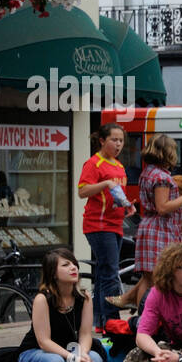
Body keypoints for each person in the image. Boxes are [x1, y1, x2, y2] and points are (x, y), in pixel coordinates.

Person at [109, 134, 182, 311]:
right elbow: (162, 207)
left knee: (148, 278)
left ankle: (139, 312)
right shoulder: (161, 177)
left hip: (149, 227)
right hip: (159, 230)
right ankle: (146, 316)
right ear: (167, 153)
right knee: (156, 279)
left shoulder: (148, 172)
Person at [78, 123, 135, 329]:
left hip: (116, 224)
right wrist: (105, 184)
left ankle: (100, 322)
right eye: (114, 140)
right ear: (102, 141)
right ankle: (113, 321)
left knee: (104, 273)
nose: (118, 144)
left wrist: (128, 207)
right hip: (99, 225)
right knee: (111, 272)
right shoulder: (94, 163)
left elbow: (117, 196)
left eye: (121, 140)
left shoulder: (119, 166)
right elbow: (82, 191)